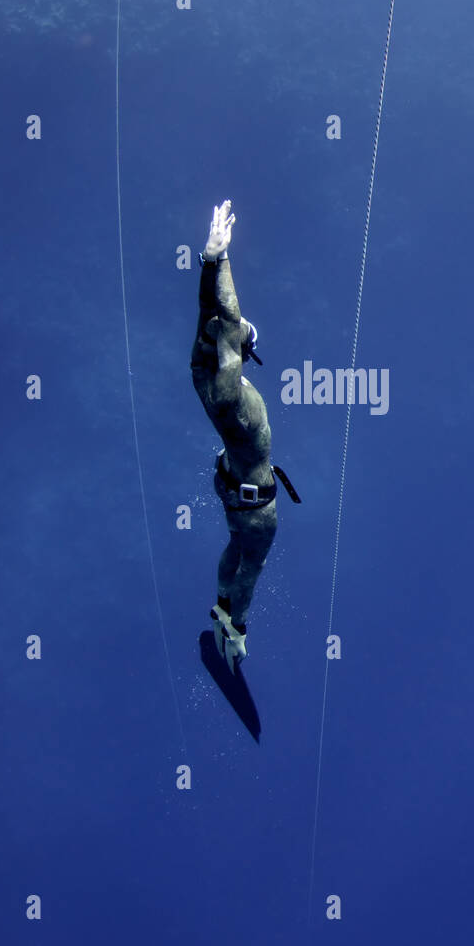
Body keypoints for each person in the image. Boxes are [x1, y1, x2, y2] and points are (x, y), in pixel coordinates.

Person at [190, 201, 299, 672]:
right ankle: (237, 627)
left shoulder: (201, 368)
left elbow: (211, 317)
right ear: (239, 349)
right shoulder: (228, 391)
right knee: (250, 563)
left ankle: (220, 604)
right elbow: (228, 318)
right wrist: (221, 258)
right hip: (254, 501)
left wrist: (207, 265)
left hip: (232, 483)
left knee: (234, 547)